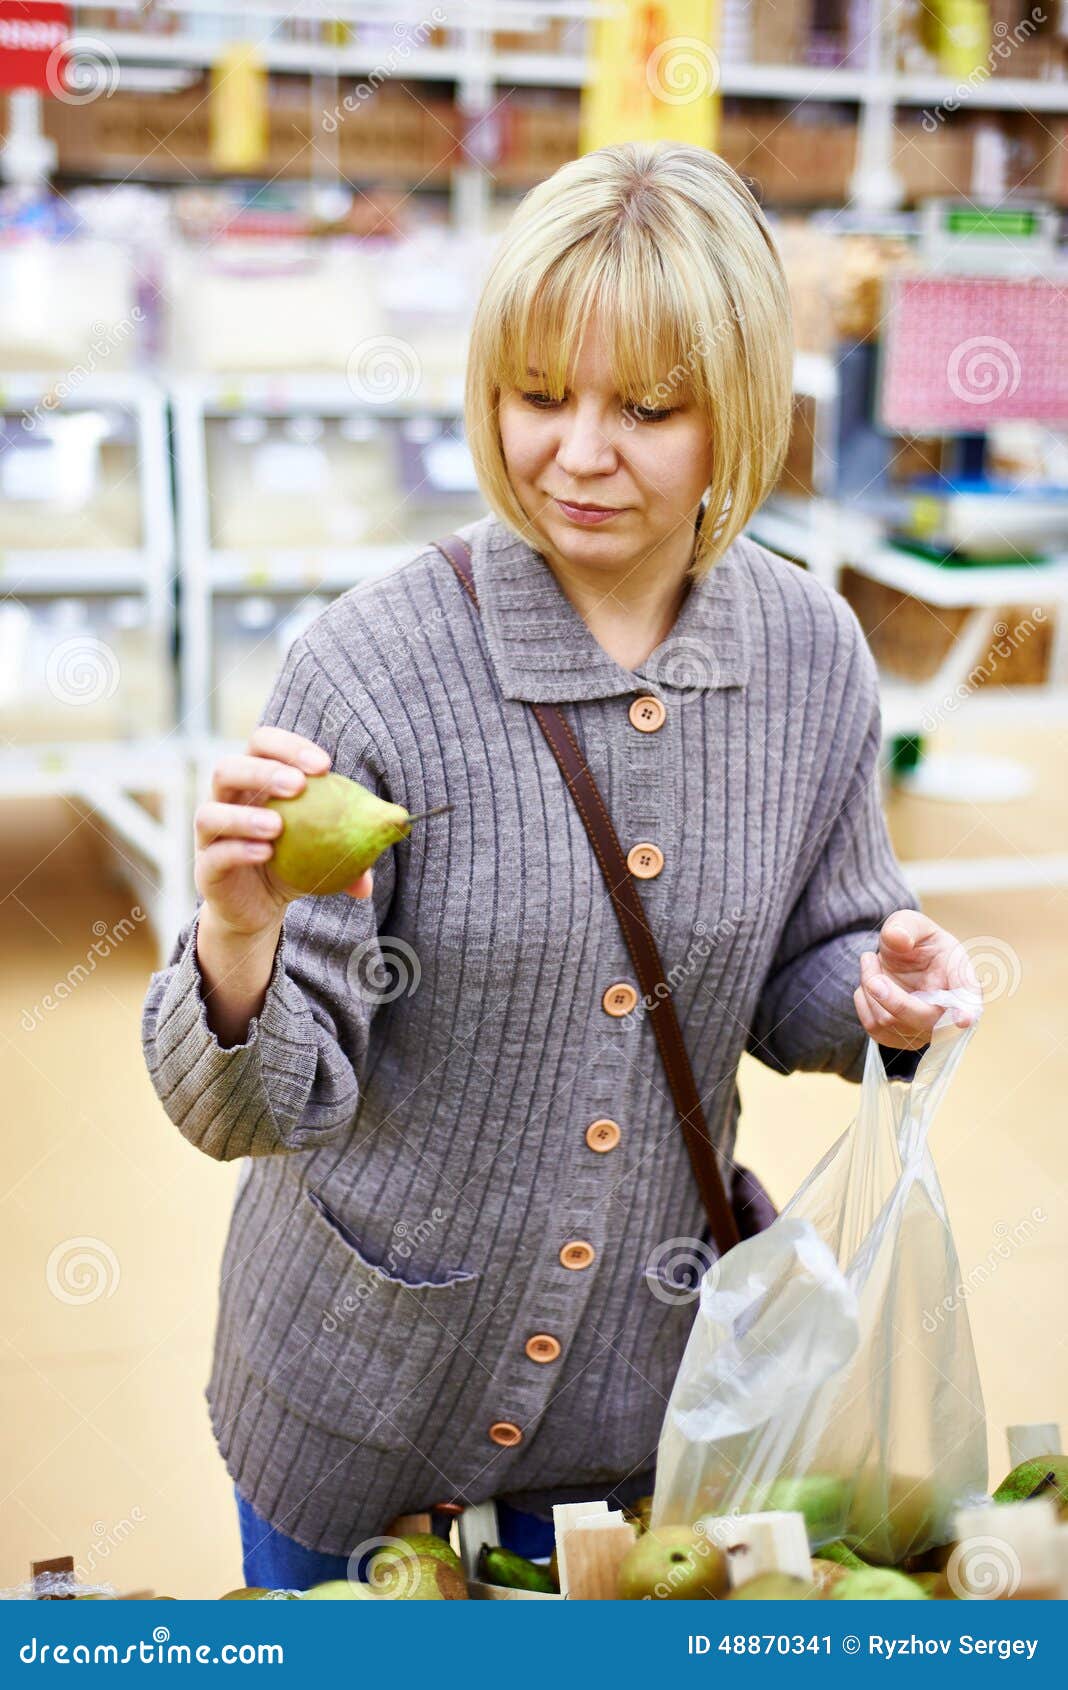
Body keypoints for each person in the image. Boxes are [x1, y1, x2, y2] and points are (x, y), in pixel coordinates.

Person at [141, 140, 978, 1589]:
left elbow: (800, 973)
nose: (578, 453)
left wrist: (880, 994)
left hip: (649, 1415)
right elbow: (257, 1106)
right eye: (538, 396)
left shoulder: (808, 658)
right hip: (358, 1419)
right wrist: (236, 942)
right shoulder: (375, 666)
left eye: (647, 410)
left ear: (740, 408)